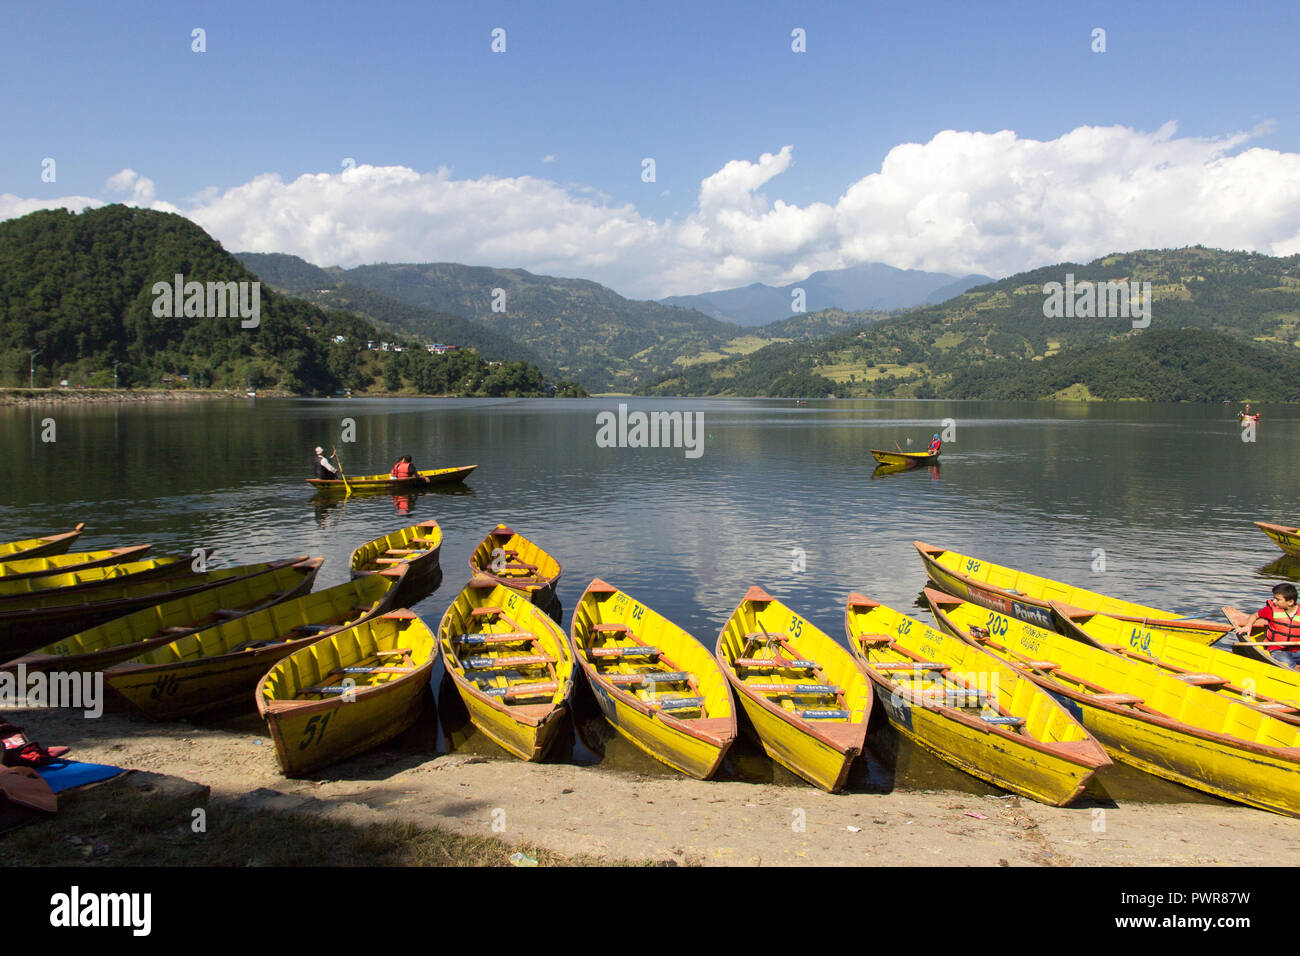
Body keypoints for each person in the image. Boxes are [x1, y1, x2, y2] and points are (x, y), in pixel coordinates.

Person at [1233, 583, 1300, 668]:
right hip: (1277, 649)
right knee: (1287, 663)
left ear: (1290, 602)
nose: (1274, 601)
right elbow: (1255, 616)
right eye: (1274, 598)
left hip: (1297, 651)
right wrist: (1248, 626)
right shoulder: (1270, 611)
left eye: (1278, 599)